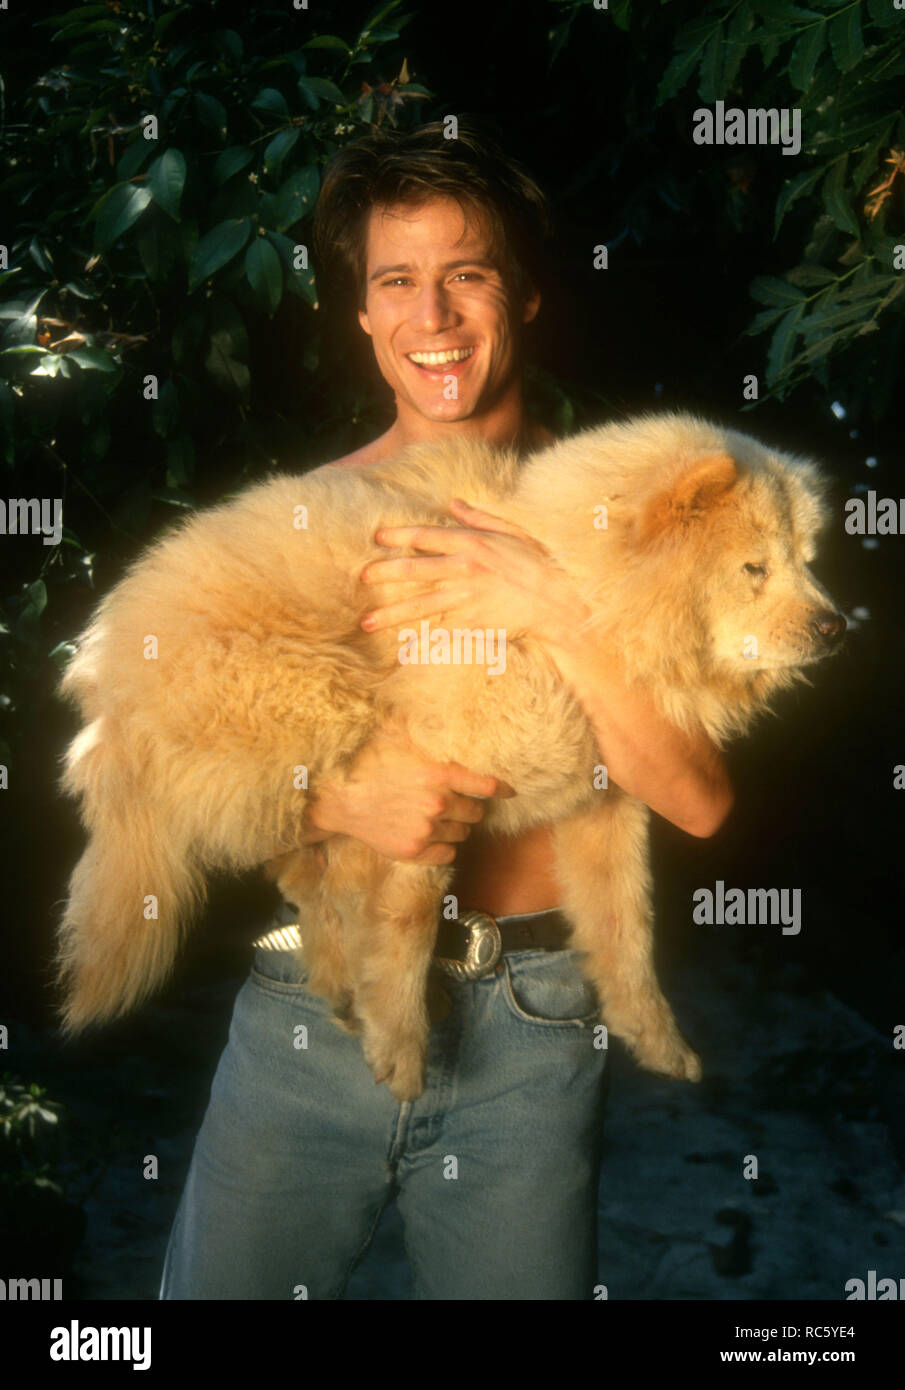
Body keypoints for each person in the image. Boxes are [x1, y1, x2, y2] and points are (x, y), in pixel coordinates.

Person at [159, 119, 732, 1301]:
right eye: (396, 282)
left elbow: (697, 800)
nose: (434, 317)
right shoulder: (306, 516)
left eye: (466, 275)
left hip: (533, 1021)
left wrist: (554, 608)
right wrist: (334, 797)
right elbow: (171, 771)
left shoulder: (622, 519)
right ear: (360, 315)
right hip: (312, 1005)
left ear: (524, 296)